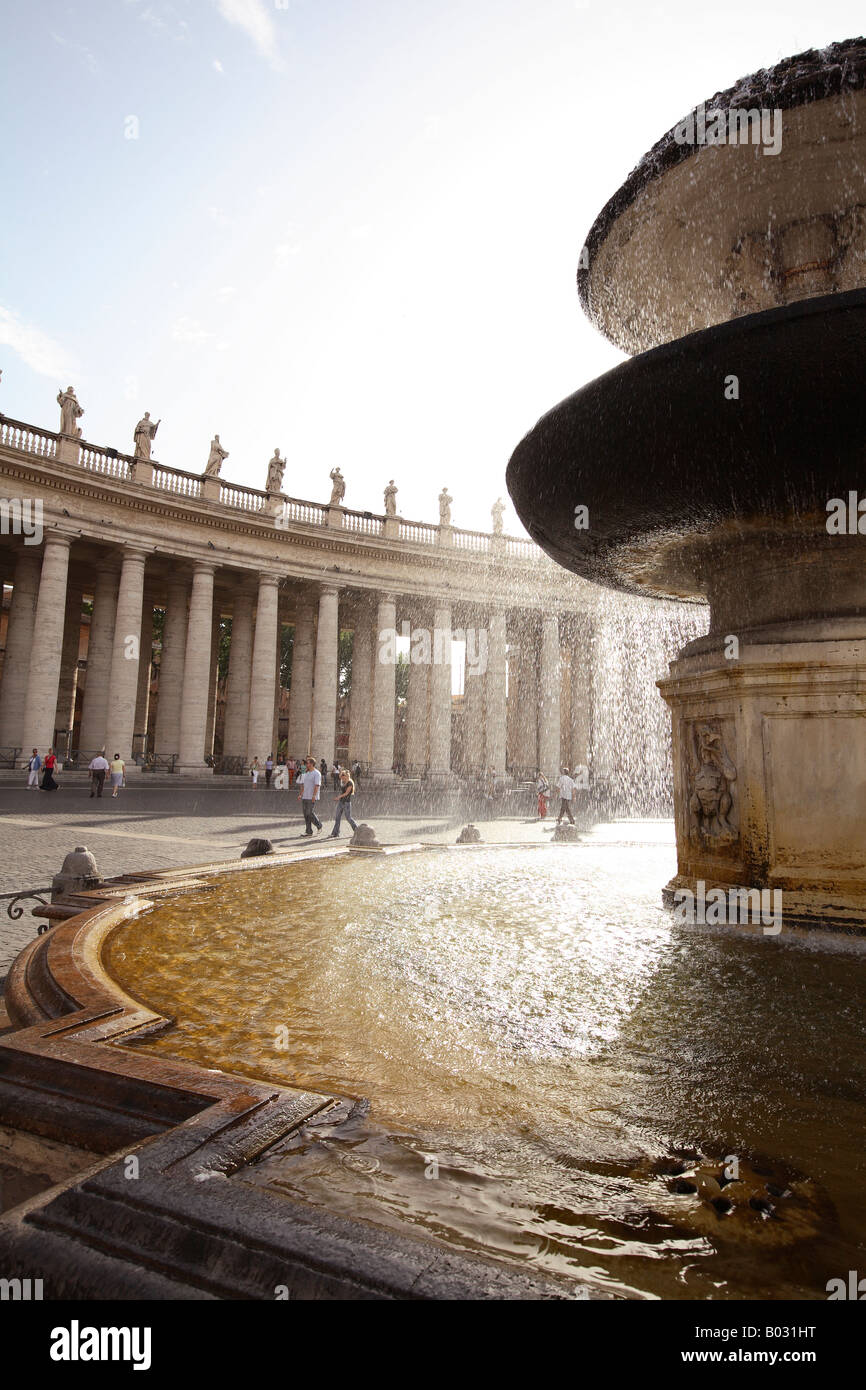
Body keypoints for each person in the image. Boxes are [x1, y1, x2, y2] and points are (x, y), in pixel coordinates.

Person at [330, 768, 358, 838]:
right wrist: (341, 772)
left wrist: (338, 797)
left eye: (343, 776)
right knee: (337, 817)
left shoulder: (350, 783)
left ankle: (357, 830)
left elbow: (346, 793)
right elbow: (339, 777)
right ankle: (335, 833)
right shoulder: (343, 781)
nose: (341, 777)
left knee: (348, 818)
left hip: (346, 803)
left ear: (346, 776)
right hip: (341, 802)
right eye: (341, 776)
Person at [298, 755, 322, 835]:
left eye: (307, 763)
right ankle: (308, 831)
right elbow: (303, 785)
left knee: (309, 813)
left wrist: (314, 796)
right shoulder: (306, 773)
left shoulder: (317, 773)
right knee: (306, 814)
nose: (306, 765)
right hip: (305, 796)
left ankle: (319, 825)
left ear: (311, 764)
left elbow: (317, 785)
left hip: (311, 796)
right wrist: (301, 794)